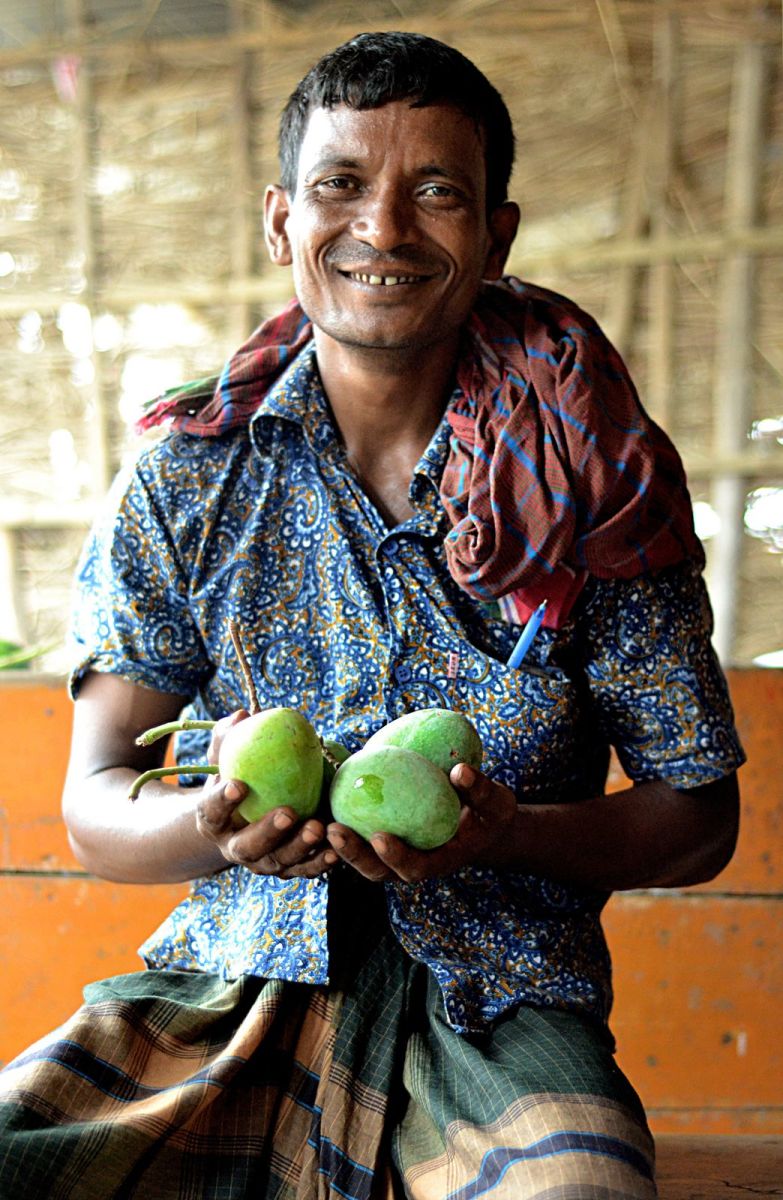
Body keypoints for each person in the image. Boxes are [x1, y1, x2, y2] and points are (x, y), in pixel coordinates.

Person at [0, 30, 743, 1200]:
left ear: (496, 234)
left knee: (578, 1192)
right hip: (227, 993)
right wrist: (214, 826)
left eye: (436, 192)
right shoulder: (188, 483)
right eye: (341, 184)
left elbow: (699, 816)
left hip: (496, 1011)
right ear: (282, 221)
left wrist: (511, 835)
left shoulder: (593, 484)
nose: (384, 229)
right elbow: (97, 804)